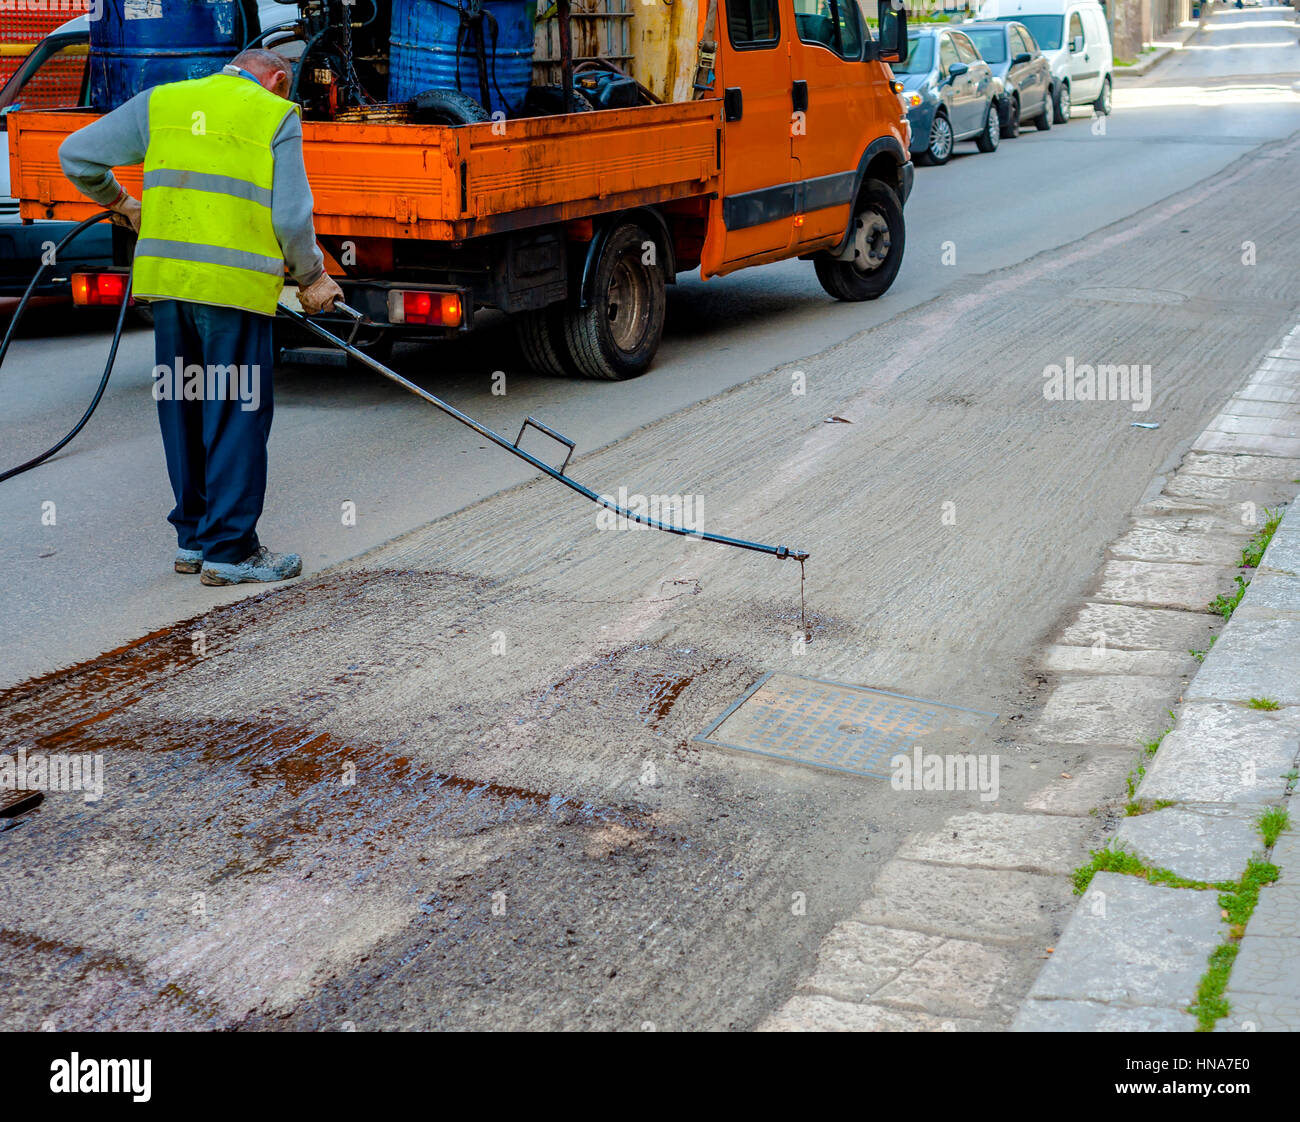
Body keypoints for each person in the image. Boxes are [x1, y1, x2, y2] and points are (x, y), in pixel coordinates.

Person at [58, 48, 343, 586]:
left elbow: (76, 154)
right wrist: (311, 277)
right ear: (277, 79)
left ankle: (193, 539)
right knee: (235, 413)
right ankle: (231, 550)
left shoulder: (163, 102)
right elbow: (290, 213)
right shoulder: (272, 113)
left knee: (184, 409)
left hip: (168, 290)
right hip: (232, 294)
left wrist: (124, 203)